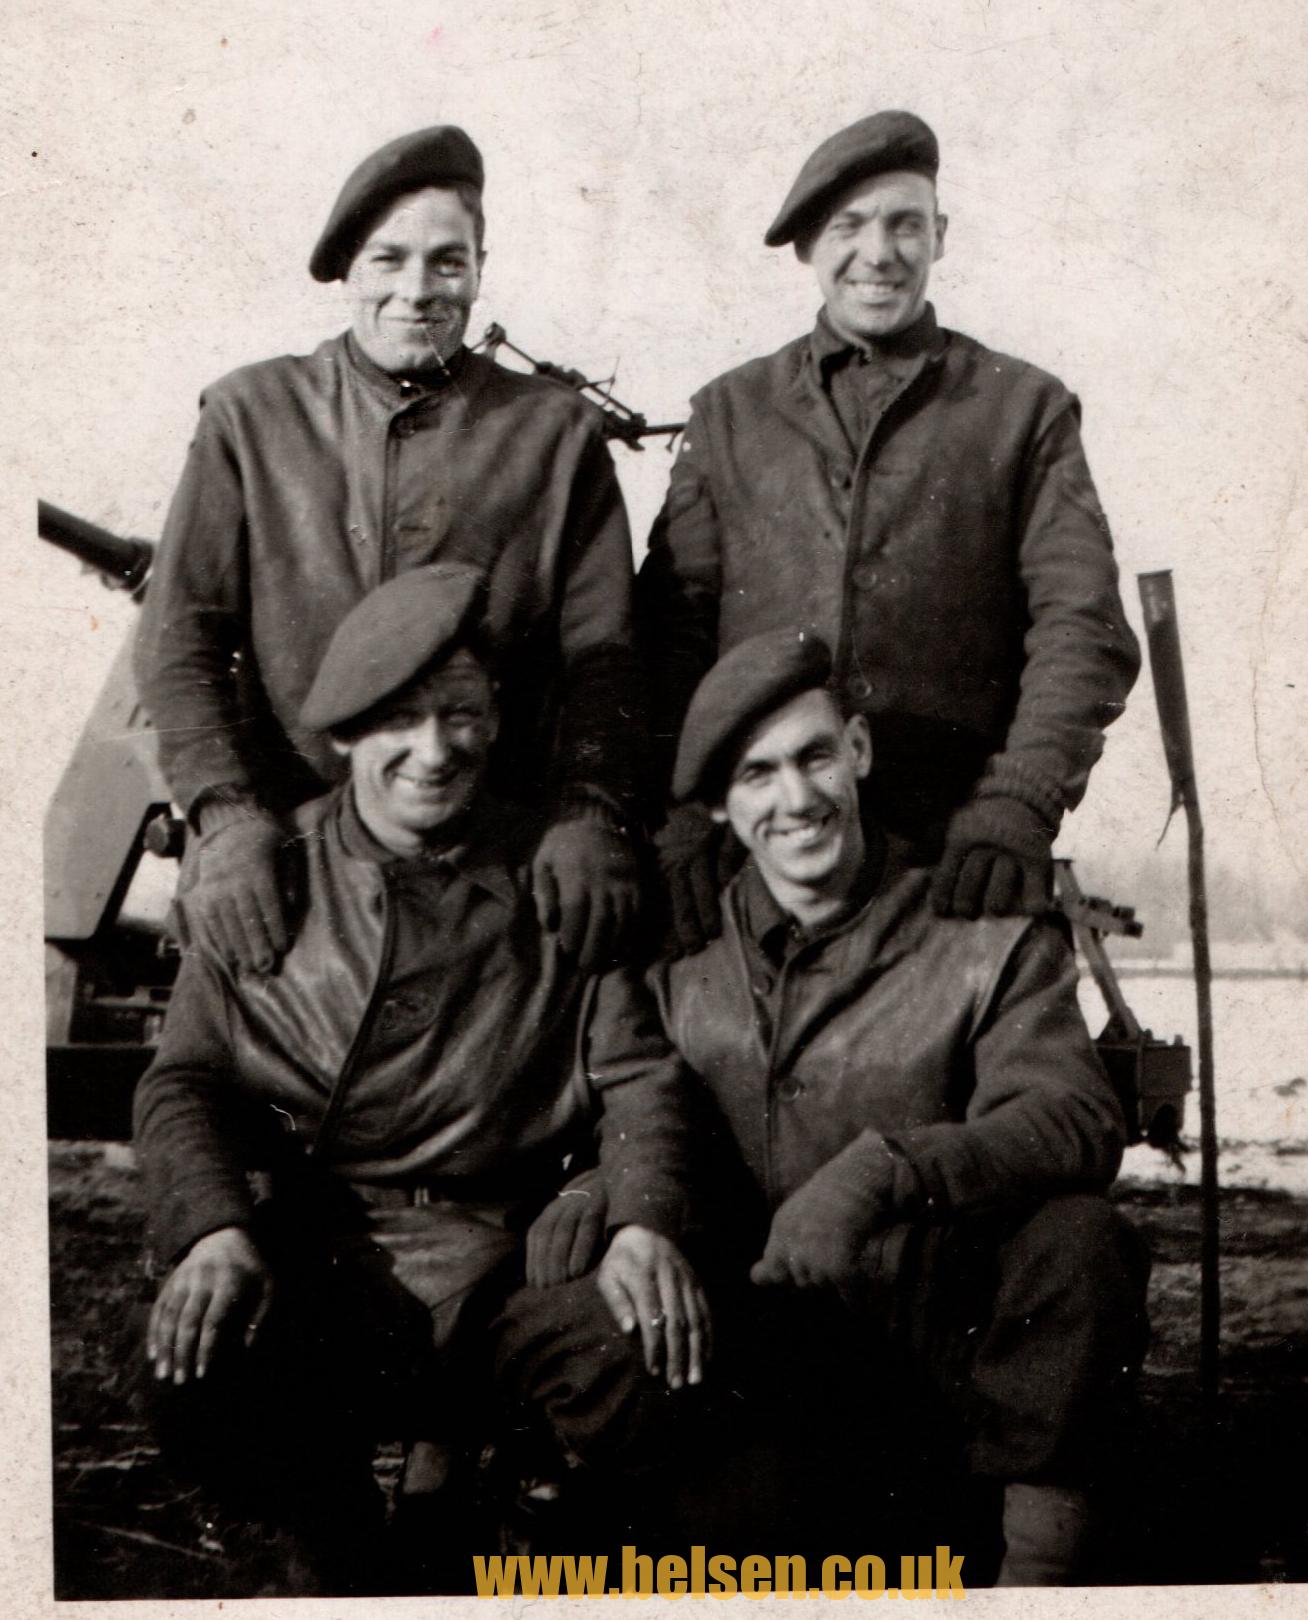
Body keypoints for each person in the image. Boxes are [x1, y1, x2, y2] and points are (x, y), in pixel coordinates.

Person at [133, 565, 708, 1596]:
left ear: (497, 719)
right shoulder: (270, 874)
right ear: (345, 734)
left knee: (650, 1352)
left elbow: (640, 1079)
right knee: (199, 1371)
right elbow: (185, 1084)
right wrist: (213, 1229)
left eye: (462, 712)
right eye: (400, 719)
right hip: (326, 1255)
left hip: (510, 1261)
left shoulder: (558, 875)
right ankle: (338, 1537)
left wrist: (640, 1222)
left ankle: (525, 1524)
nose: (435, 750)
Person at [647, 628, 1149, 1586]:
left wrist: (889, 1170)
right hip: (769, 1362)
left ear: (861, 753)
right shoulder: (681, 964)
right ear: (720, 806)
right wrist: (610, 1191)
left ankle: (1037, 1579)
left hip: (954, 1364)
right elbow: (636, 1108)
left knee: (1081, 1242)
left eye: (815, 757)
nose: (796, 800)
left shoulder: (980, 934)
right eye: (756, 775)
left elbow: (1074, 1118)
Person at [135, 125, 645, 978]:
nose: (418, 290)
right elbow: (177, 638)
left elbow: (605, 654)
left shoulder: (555, 435)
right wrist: (224, 818)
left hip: (496, 866)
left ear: (481, 269)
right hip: (291, 863)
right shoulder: (250, 418)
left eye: (448, 262)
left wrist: (588, 813)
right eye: (388, 260)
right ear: (347, 271)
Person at [639, 110, 1140, 949]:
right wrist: (679, 808)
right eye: (849, 227)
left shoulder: (1023, 411)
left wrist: (1018, 799)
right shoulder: (728, 415)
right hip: (756, 857)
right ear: (807, 246)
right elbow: (669, 636)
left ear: (940, 236)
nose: (879, 253)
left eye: (905, 224)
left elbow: (1080, 624)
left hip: (955, 867)